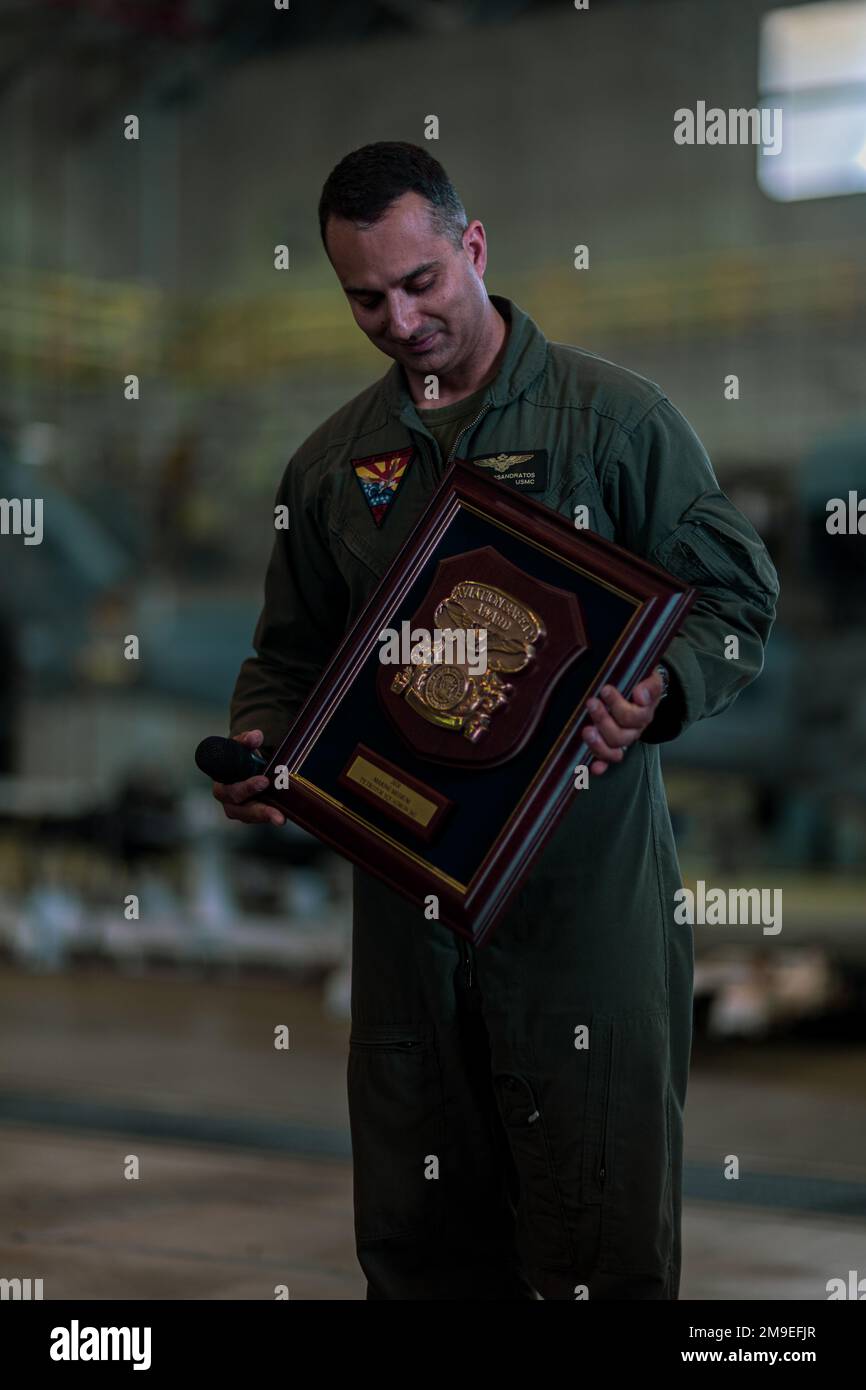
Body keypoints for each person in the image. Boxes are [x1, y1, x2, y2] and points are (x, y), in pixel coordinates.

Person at [215, 142, 779, 1300]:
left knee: (596, 1238)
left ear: (471, 249)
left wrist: (657, 690)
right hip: (405, 916)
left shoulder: (614, 422)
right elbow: (285, 658)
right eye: (364, 297)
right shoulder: (331, 468)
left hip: (582, 912)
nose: (398, 318)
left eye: (420, 282)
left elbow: (732, 598)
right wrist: (267, 748)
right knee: (423, 1248)